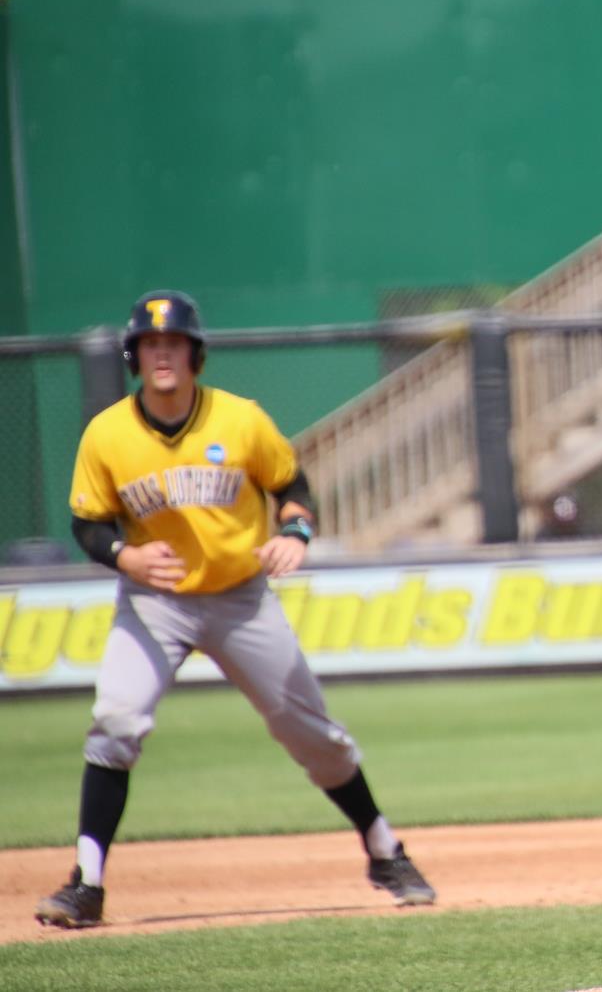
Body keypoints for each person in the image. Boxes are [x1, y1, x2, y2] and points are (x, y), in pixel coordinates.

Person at [35, 290, 436, 929]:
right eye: (149, 344)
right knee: (116, 720)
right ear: (134, 356)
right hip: (155, 602)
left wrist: (295, 534)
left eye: (173, 343)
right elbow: (88, 523)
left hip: (241, 600)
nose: (161, 354)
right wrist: (124, 556)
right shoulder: (107, 434)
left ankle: (386, 852)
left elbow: (291, 486)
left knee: (314, 736)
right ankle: (86, 884)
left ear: (194, 354)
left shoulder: (240, 420)